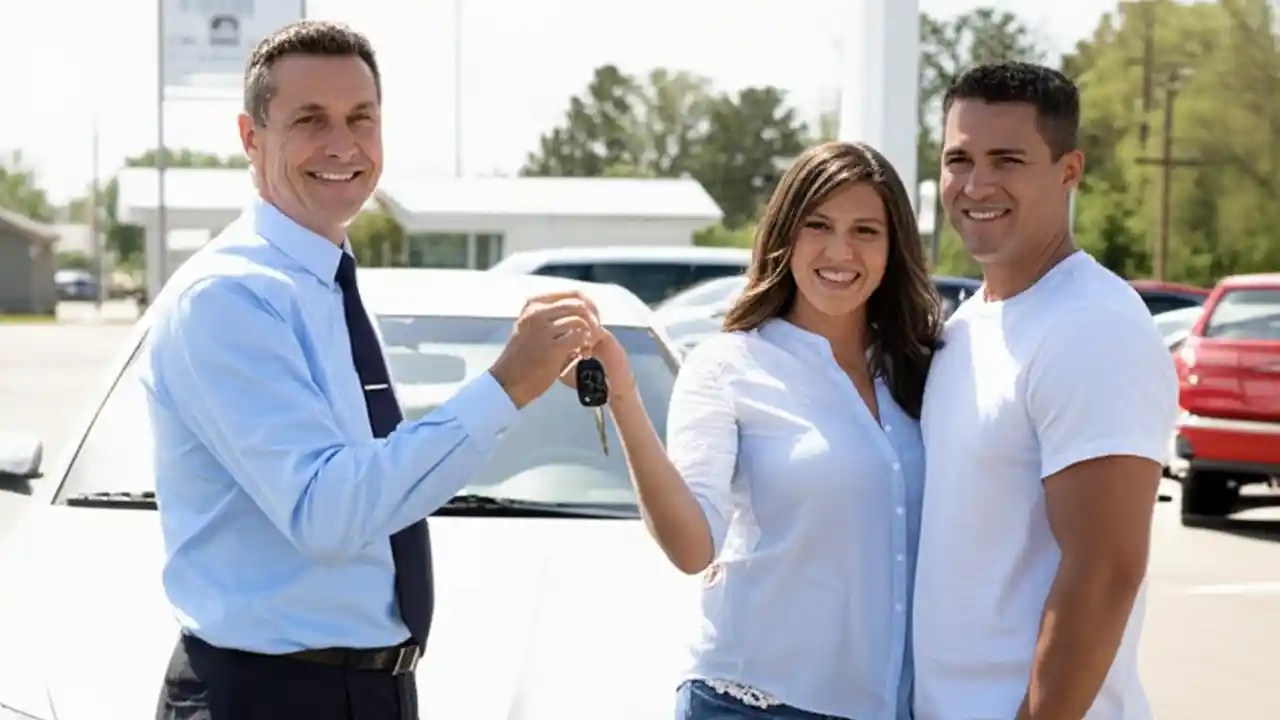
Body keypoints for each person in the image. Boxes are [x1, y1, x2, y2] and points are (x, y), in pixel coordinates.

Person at [142, 20, 600, 720]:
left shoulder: (326, 285)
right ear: (250, 137)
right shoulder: (229, 298)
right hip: (266, 695)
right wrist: (507, 385)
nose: (342, 145)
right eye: (310, 120)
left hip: (368, 689)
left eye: (361, 118)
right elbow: (327, 511)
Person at [571, 140, 944, 719]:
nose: (840, 250)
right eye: (817, 225)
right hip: (755, 703)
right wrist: (623, 398)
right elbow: (693, 547)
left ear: (894, 247)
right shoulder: (729, 366)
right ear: (784, 236)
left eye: (866, 231)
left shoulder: (921, 368)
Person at [911, 61, 1179, 720]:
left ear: (1069, 170)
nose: (977, 184)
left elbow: (1107, 569)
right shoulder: (971, 324)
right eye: (959, 158)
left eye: (1007, 159)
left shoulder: (1093, 327)